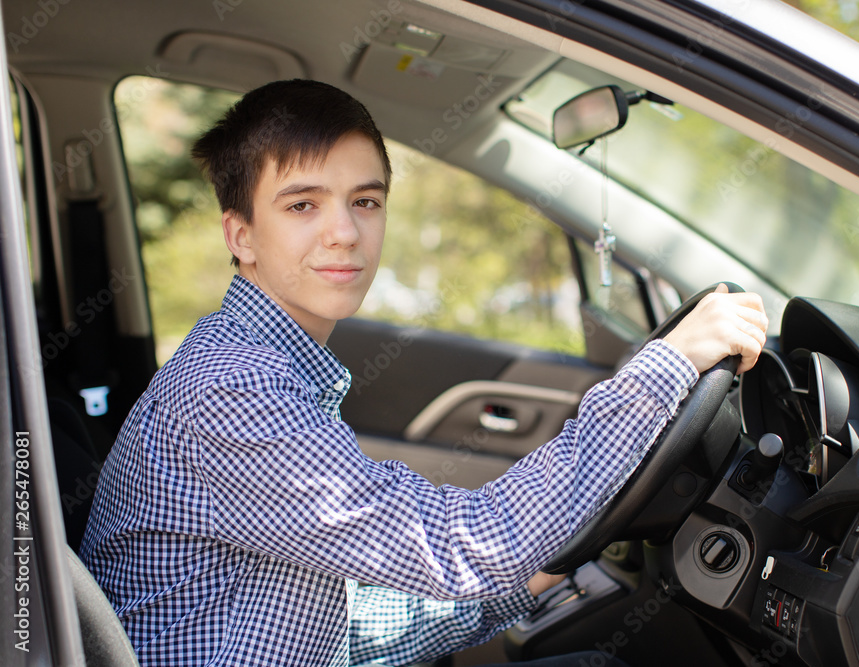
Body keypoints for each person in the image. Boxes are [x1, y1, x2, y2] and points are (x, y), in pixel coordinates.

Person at [79, 79, 768, 667]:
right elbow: (463, 542)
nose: (345, 232)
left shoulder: (268, 365)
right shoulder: (233, 390)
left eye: (366, 201)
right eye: (302, 205)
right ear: (241, 235)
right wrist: (669, 364)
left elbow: (343, 629)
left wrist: (526, 579)